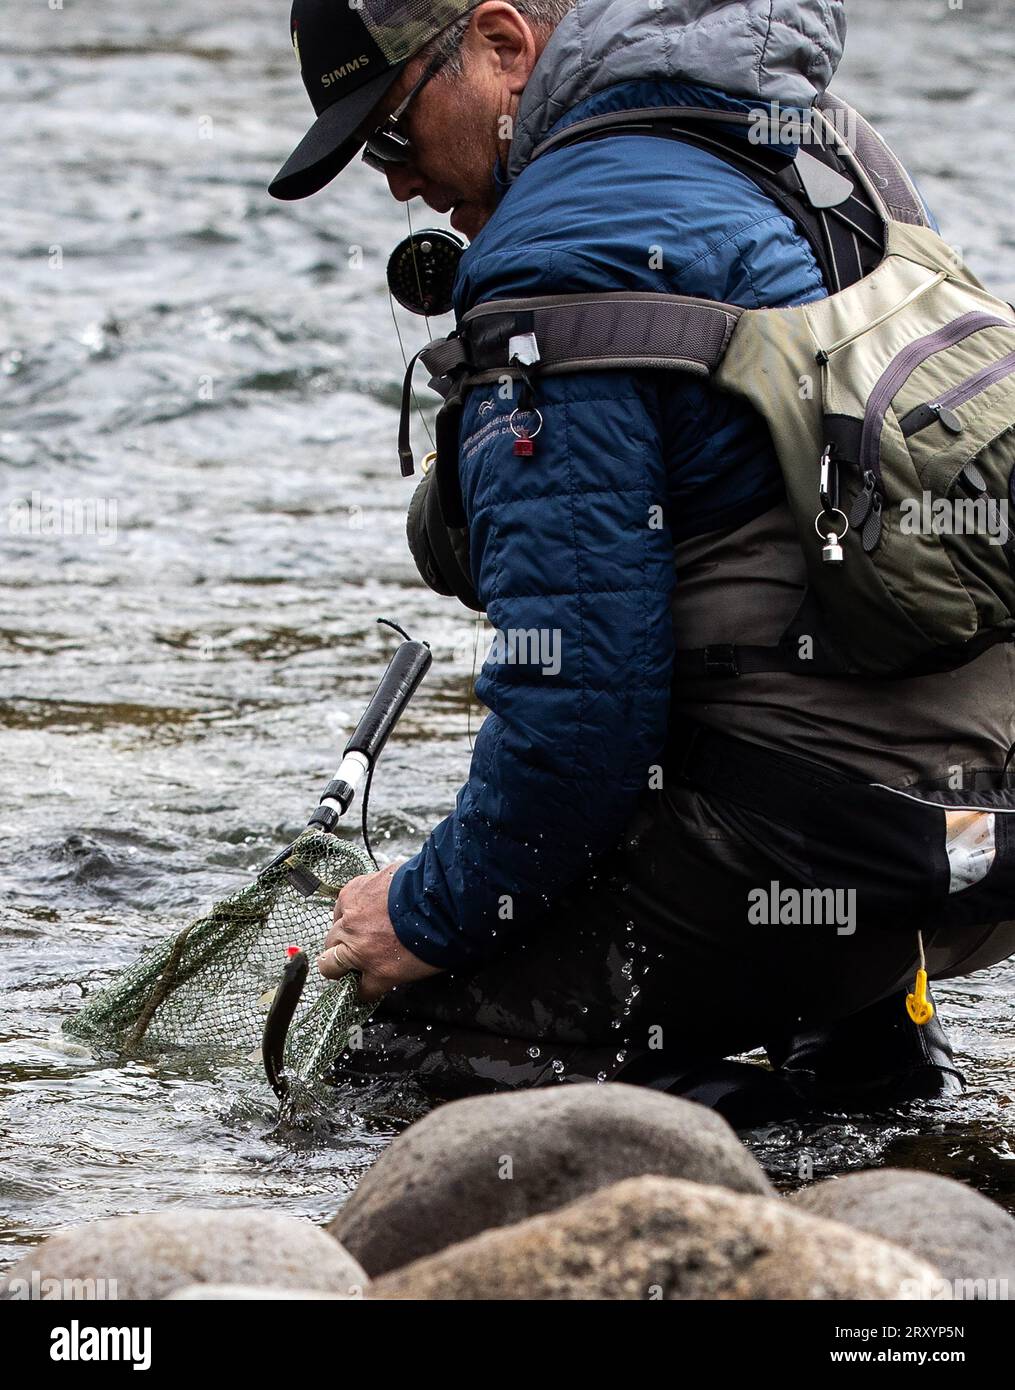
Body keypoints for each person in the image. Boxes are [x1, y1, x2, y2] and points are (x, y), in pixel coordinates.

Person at [268, 0, 1015, 1120]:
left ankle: (739, 1170)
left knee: (395, 1051)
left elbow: (580, 711)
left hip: (830, 840)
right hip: (977, 824)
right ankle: (879, 1074)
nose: (400, 186)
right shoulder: (816, 143)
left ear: (505, 46)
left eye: (390, 134)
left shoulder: (554, 258)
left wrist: (421, 916)